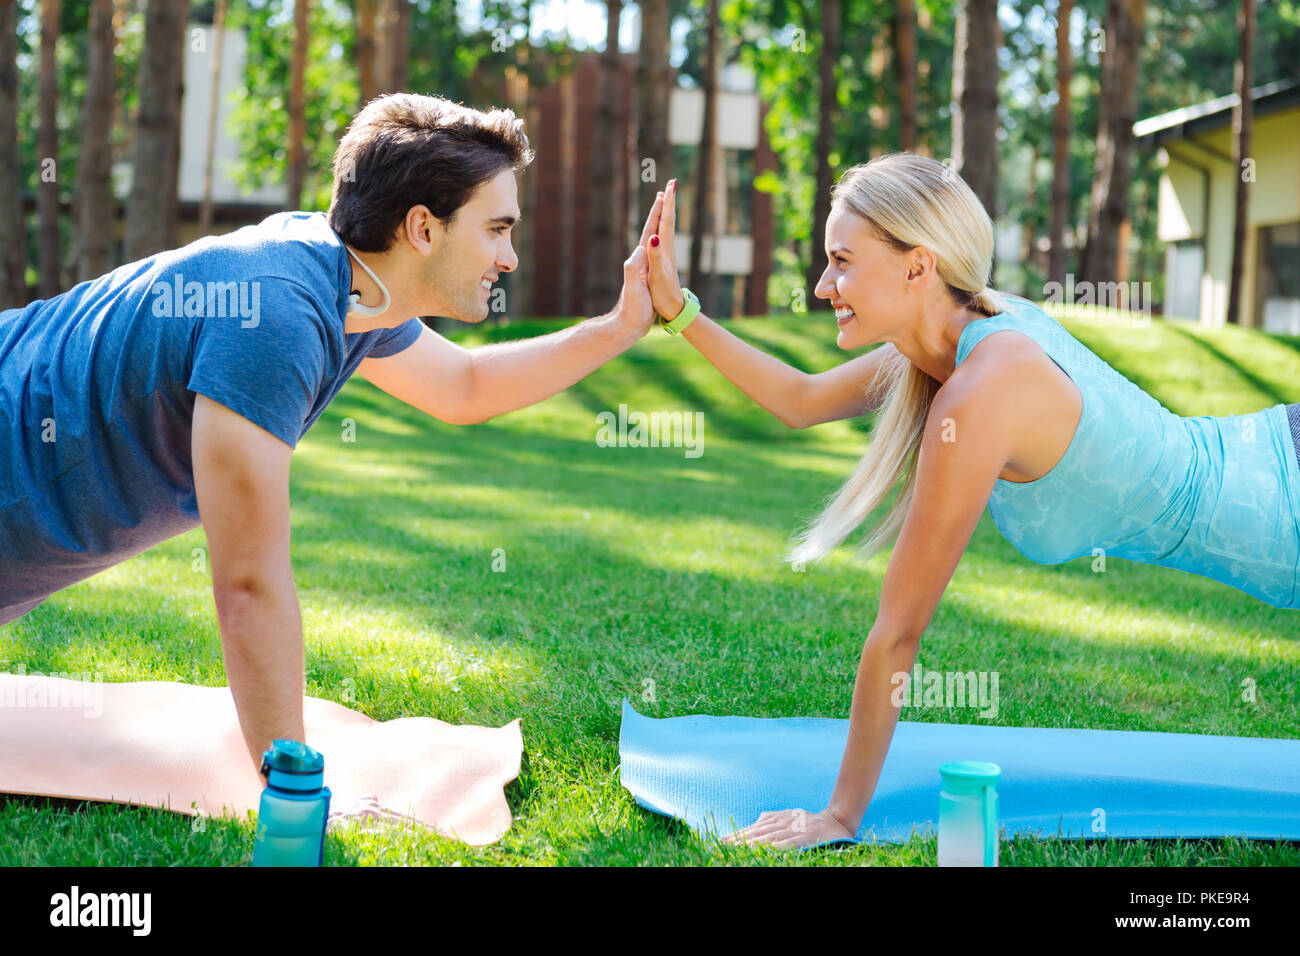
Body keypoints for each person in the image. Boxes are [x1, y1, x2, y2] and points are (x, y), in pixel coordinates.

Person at [0, 92, 666, 787]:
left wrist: (620, 325)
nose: (511, 258)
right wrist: (293, 788)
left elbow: (464, 387)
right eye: (497, 229)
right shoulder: (274, 316)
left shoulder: (351, 287)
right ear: (423, 229)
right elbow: (248, 582)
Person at [638, 152, 1300, 849]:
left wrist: (838, 815)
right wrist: (677, 309)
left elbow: (898, 633)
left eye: (842, 260)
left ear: (918, 268)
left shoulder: (983, 390)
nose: (823, 282)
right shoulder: (957, 342)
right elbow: (800, 401)